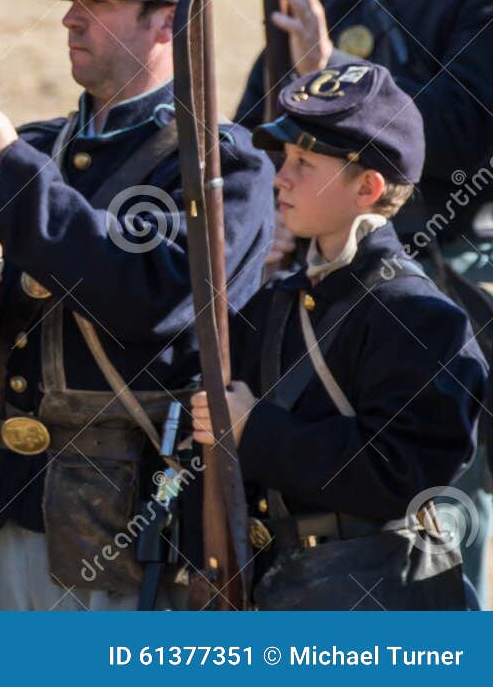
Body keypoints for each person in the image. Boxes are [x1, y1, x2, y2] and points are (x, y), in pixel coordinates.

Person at [0, 0, 275, 610]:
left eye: (99, 2)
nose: (72, 19)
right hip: (4, 499)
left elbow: (151, 300)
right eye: (73, 1)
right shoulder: (36, 150)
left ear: (168, 22)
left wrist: (10, 173)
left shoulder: (222, 169)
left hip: (133, 519)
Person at [234, 0, 493, 602]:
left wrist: (323, 64)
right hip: (320, 288)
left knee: (439, 512)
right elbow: (248, 134)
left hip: (447, 281)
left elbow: (458, 135)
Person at [195, 61, 487, 609]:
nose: (279, 176)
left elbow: (403, 473)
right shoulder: (277, 301)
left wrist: (254, 429)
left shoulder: (423, 318)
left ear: (369, 186)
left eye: (304, 163)